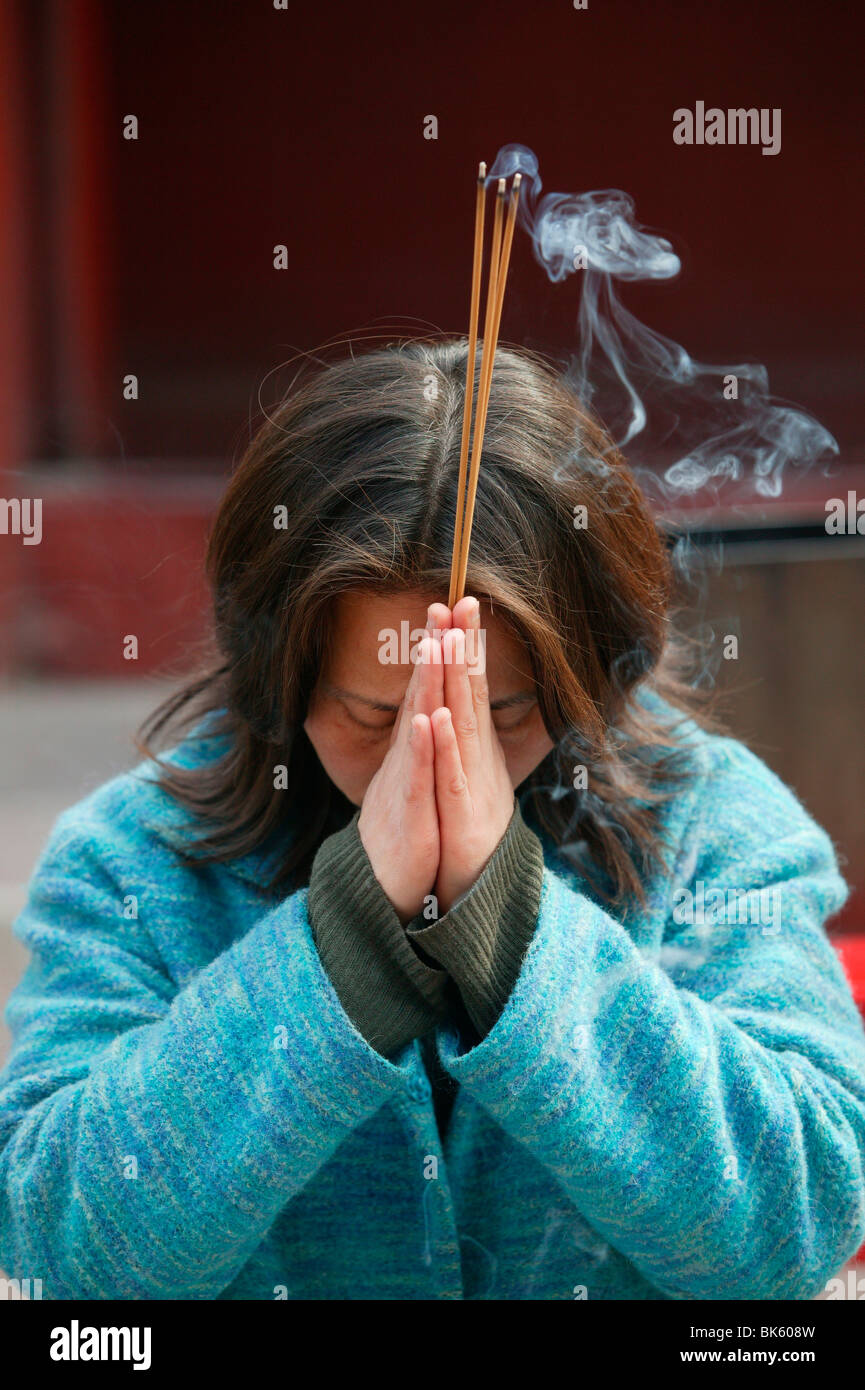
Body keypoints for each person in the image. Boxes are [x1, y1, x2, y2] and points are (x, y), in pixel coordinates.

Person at [1, 338, 864, 1300]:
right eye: (376, 717)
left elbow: (797, 1227)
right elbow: (64, 1252)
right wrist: (342, 951)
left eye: (506, 711)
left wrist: (513, 932)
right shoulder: (135, 863)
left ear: (591, 674)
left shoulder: (708, 824)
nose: (441, 758)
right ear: (277, 680)